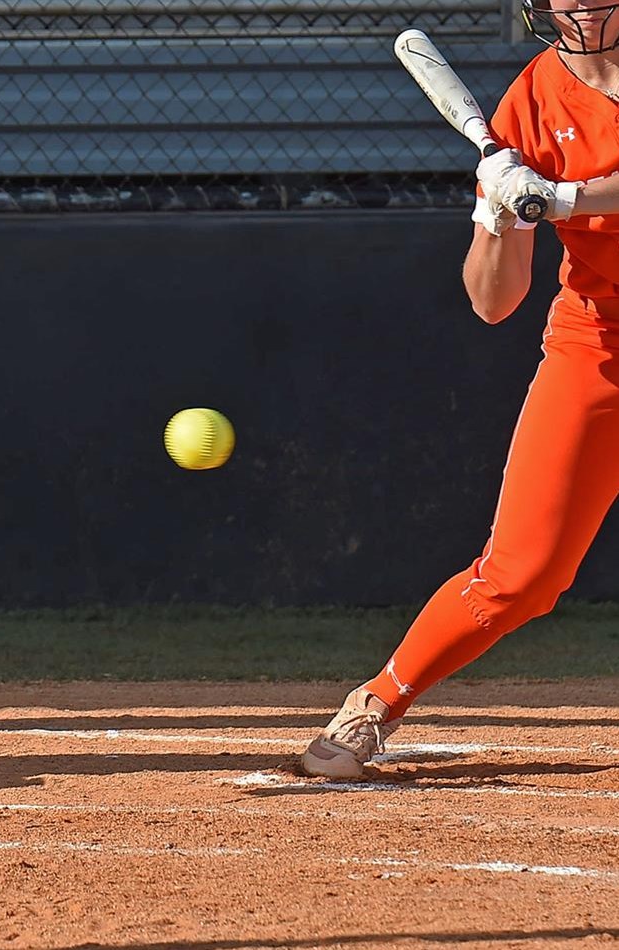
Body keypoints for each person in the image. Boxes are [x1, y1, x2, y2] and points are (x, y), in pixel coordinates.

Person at [302, 0, 619, 777]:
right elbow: (493, 300)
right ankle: (376, 703)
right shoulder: (531, 103)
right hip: (599, 342)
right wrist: (498, 209)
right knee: (523, 573)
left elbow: (578, 198)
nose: (579, 1)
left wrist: (567, 198)